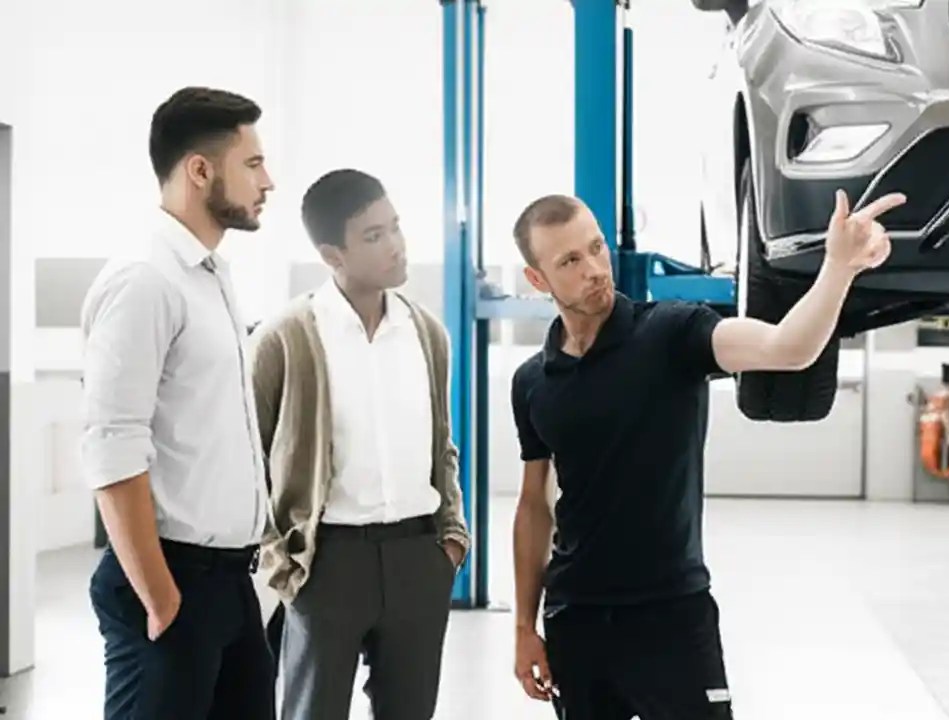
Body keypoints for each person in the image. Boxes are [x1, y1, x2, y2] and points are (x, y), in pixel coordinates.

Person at [509, 188, 905, 719]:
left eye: (597, 248)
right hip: (575, 621)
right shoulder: (532, 382)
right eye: (570, 261)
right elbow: (534, 504)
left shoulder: (672, 333)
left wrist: (838, 267)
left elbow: (788, 348)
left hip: (672, 616)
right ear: (538, 280)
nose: (595, 269)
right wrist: (522, 628)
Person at [80, 86, 276, 720]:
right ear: (199, 169)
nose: (267, 181)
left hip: (229, 585)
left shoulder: (212, 277)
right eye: (252, 163)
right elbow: (112, 451)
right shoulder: (145, 279)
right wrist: (162, 600)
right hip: (170, 583)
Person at [249, 168, 470, 720]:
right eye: (373, 236)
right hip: (327, 564)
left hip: (419, 559)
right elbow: (249, 460)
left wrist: (452, 539)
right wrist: (283, 563)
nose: (395, 245)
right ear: (332, 255)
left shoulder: (427, 333)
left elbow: (442, 447)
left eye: (394, 226)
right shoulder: (286, 336)